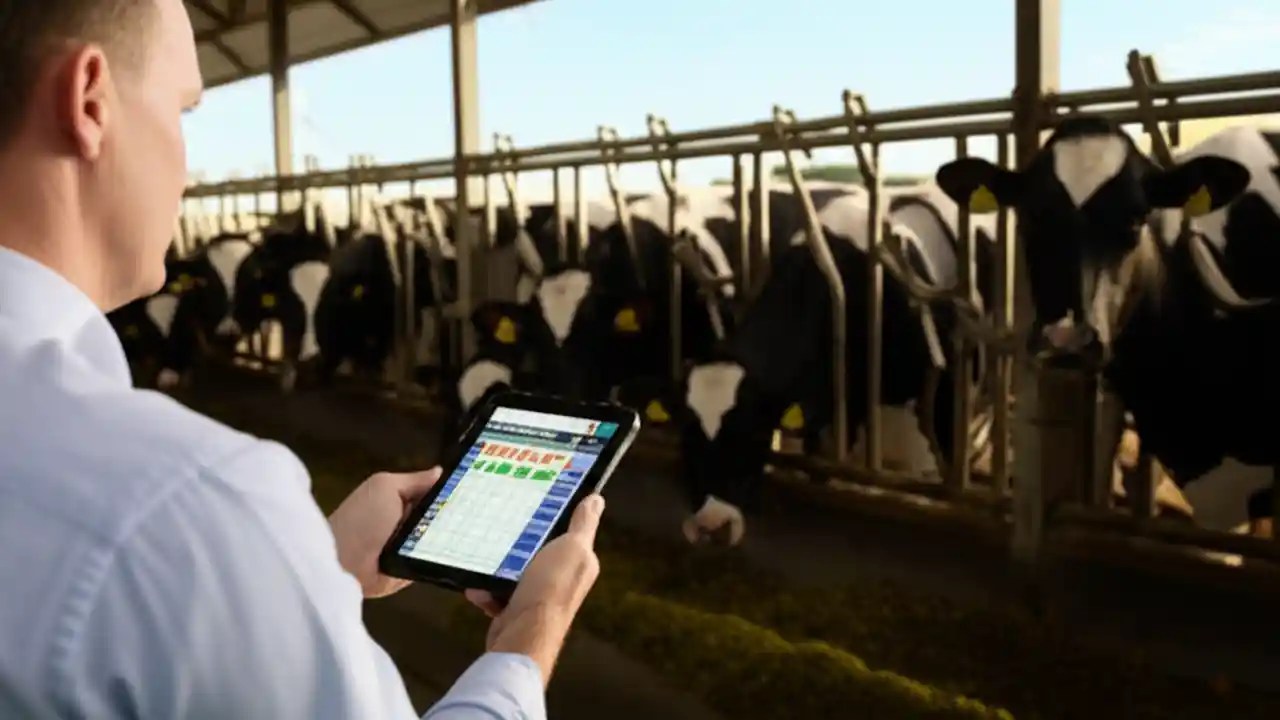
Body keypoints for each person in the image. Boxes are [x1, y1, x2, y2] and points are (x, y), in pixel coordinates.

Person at [0, 1, 604, 718]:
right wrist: (528, 641)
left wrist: (309, 568)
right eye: (182, 109)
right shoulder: (183, 500)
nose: (188, 171)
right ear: (91, 100)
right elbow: (167, 563)